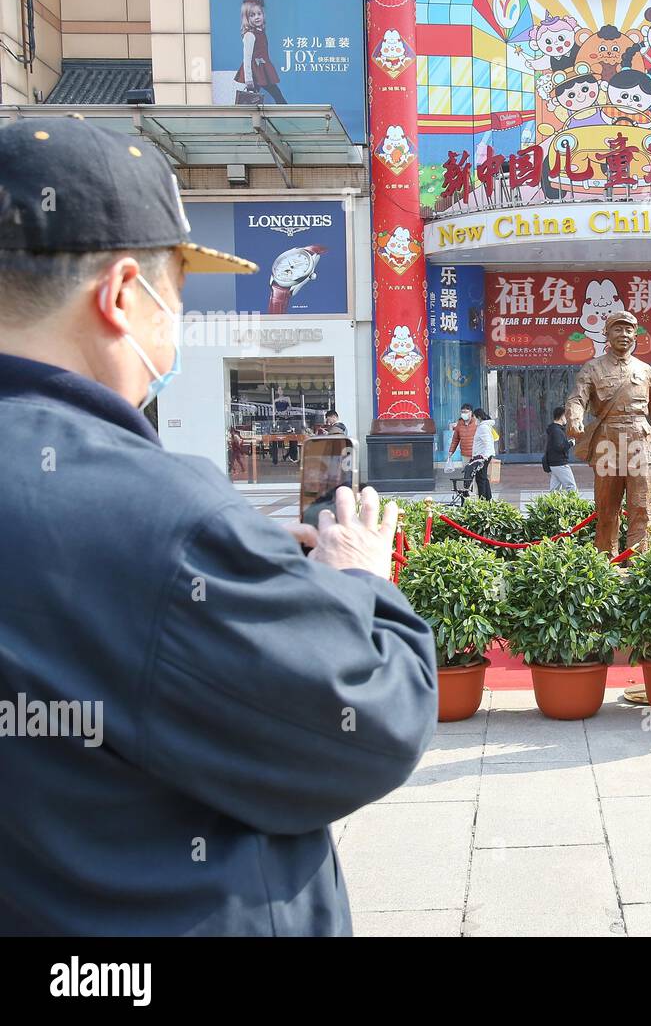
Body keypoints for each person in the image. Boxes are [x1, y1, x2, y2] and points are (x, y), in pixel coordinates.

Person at [0, 118, 439, 935]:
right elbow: (369, 715)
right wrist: (360, 582)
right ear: (123, 294)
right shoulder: (163, 519)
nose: (177, 322)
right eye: (178, 293)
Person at [565, 311, 651, 556]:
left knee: (642, 508)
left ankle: (637, 561)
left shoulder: (645, 370)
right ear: (606, 333)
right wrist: (574, 419)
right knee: (607, 508)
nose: (624, 335)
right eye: (618, 329)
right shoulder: (592, 368)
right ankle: (607, 561)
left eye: (629, 330)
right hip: (608, 443)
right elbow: (577, 398)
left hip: (641, 442)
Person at [237, 0, 287, 105]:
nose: (257, 17)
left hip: (263, 69)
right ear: (247, 18)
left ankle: (284, 113)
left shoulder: (261, 32)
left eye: (259, 14)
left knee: (272, 94)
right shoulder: (249, 35)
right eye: (252, 15)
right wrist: (248, 79)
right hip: (256, 72)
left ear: (263, 15)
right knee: (257, 98)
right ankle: (284, 112)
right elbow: (247, 58)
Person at [543, 405, 578, 492]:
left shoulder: (554, 429)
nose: (566, 418)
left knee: (555, 490)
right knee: (571, 487)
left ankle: (552, 505)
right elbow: (560, 447)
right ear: (562, 416)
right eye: (565, 416)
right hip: (560, 463)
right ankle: (573, 505)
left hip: (554, 463)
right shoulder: (556, 431)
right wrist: (571, 443)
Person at [467, 406, 497, 500]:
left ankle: (483, 499)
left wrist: (484, 457)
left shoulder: (483, 427)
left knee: (480, 478)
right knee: (482, 477)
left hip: (483, 456)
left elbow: (487, 442)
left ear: (479, 417)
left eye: (474, 417)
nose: (474, 419)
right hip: (482, 456)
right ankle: (488, 498)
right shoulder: (483, 426)